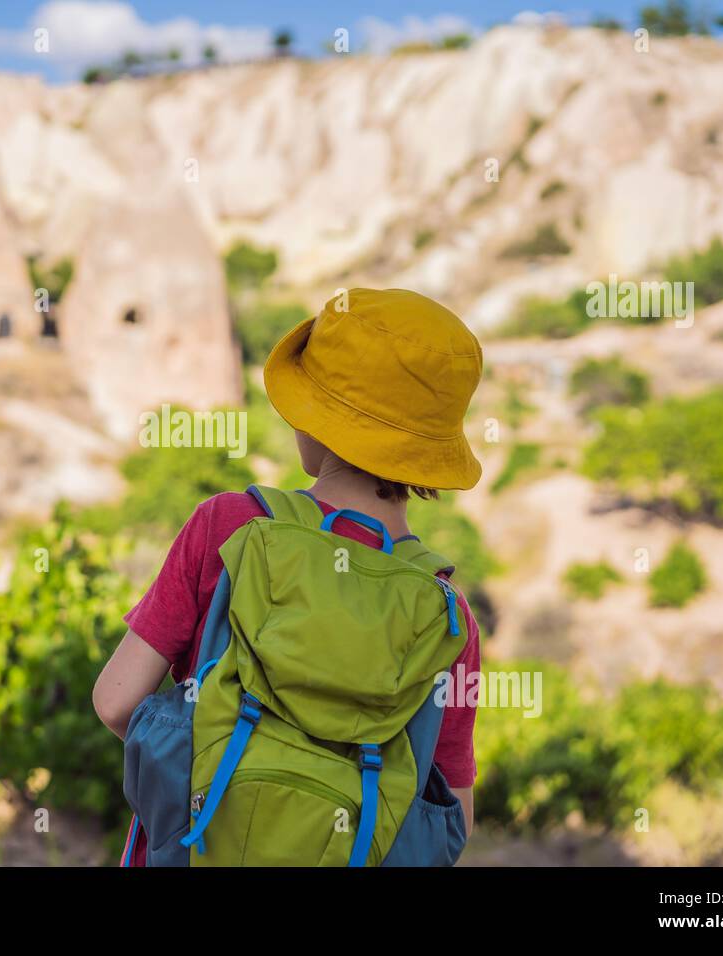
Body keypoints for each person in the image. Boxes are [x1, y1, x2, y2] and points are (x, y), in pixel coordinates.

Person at [93, 287, 484, 867]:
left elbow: (115, 702)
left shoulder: (227, 524)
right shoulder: (446, 611)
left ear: (316, 419)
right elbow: (452, 812)